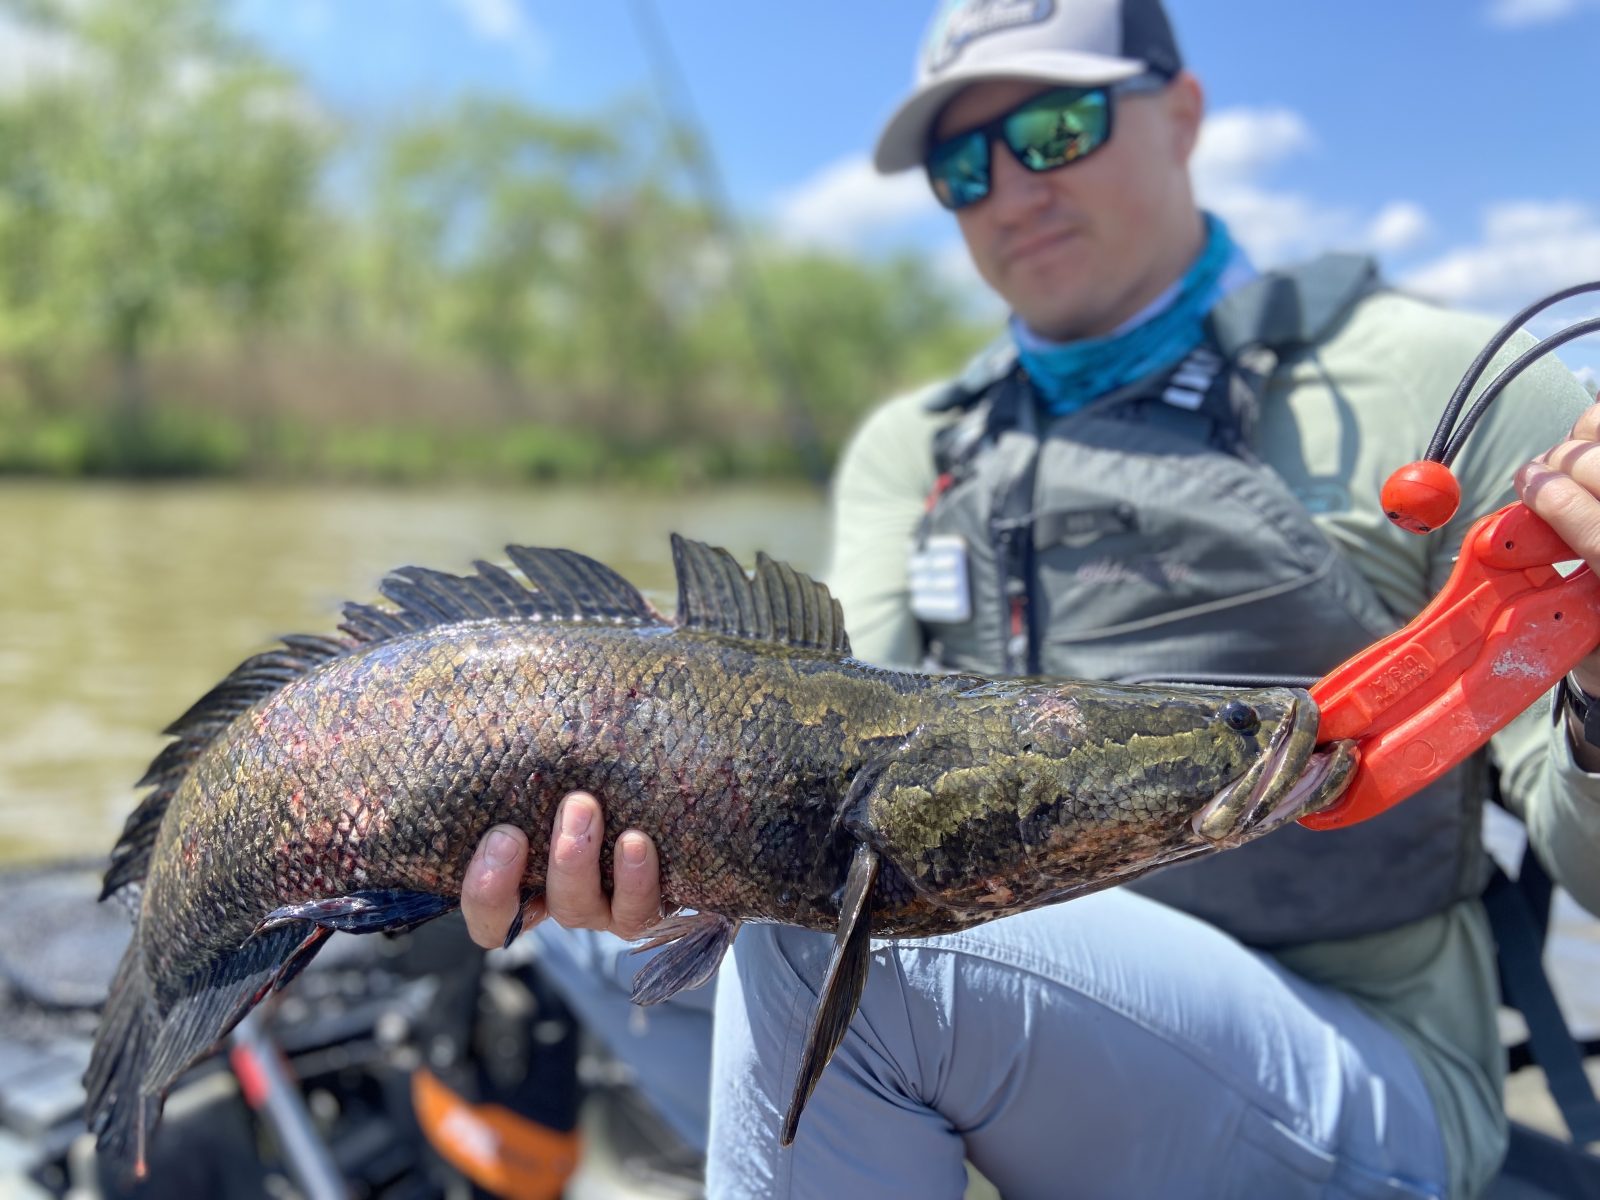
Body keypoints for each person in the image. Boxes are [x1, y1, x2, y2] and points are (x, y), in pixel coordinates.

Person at [459, 2, 1600, 1196]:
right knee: (573, 948)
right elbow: (817, 803)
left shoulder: (1457, 389)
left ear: (1183, 114)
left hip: (1366, 1062)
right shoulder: (916, 446)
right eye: (963, 164)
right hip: (1023, 1004)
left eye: (1055, 126)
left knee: (826, 953)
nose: (1009, 187)